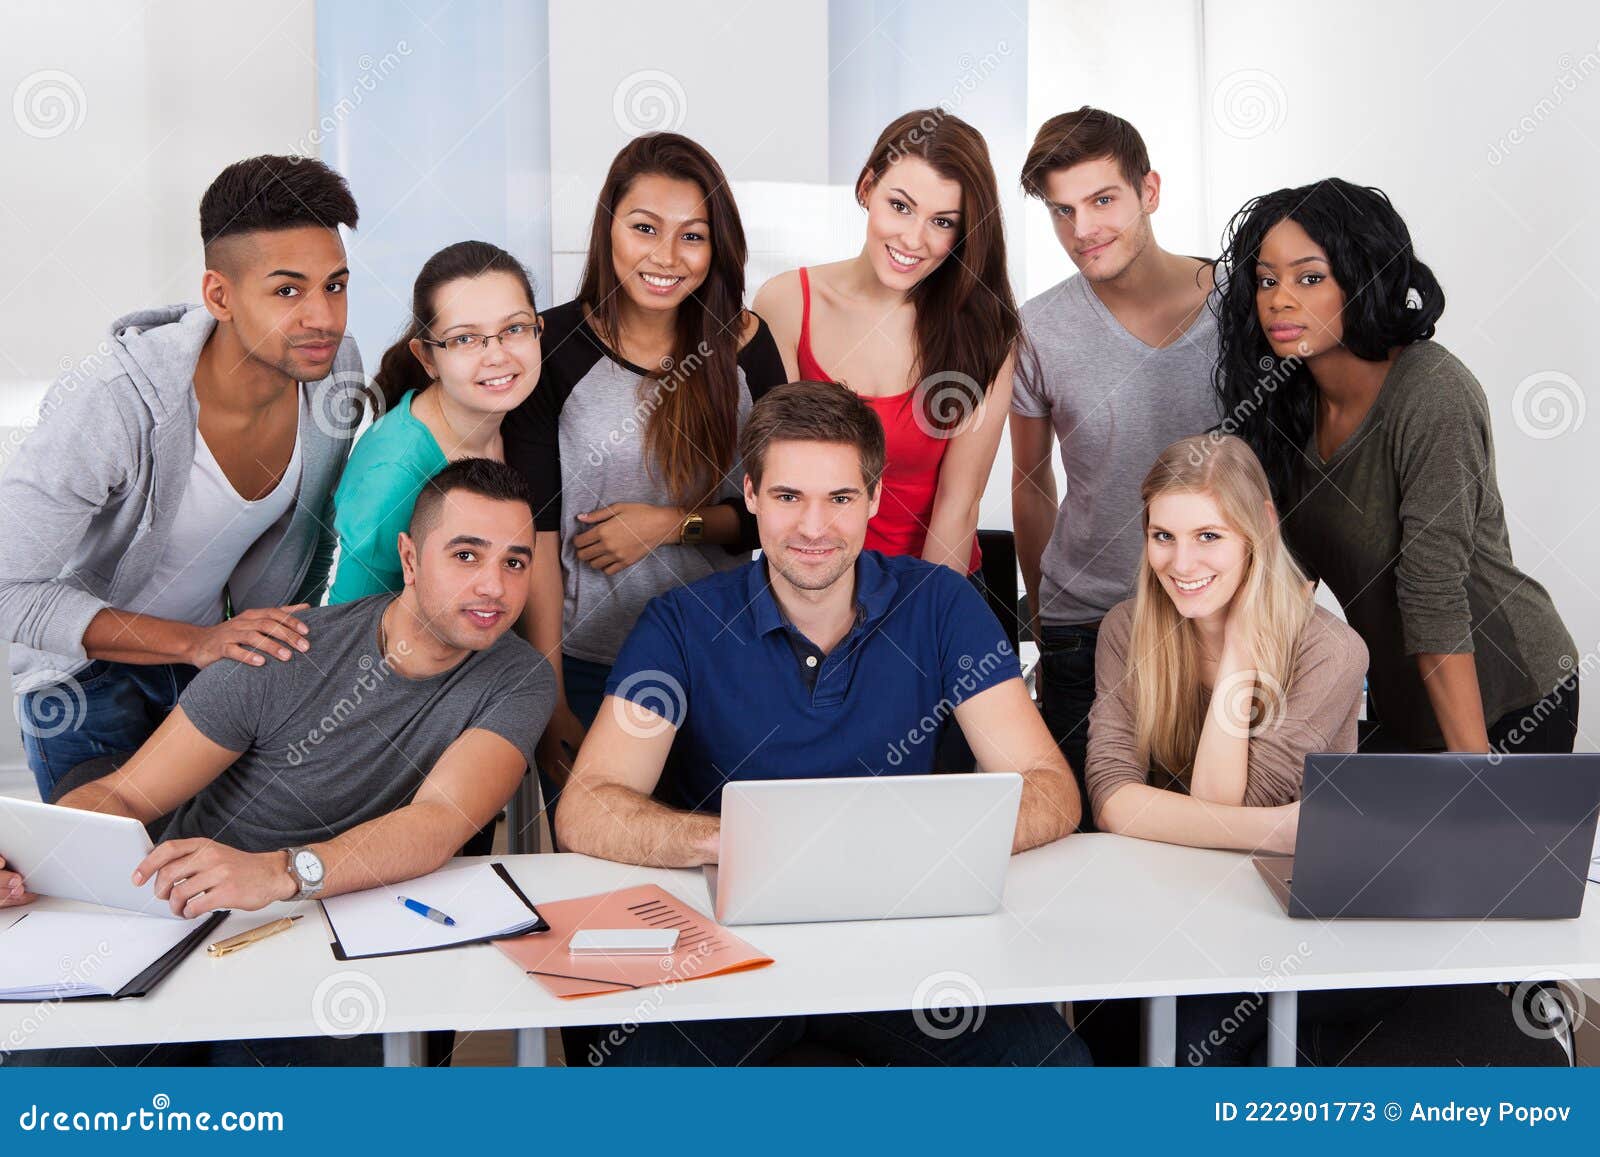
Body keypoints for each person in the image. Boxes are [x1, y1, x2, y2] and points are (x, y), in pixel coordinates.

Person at [556, 381, 1088, 1067]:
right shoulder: (680, 621)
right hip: (728, 953)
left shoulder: (941, 604)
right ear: (751, 495)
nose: (814, 528)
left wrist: (909, 848)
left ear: (874, 497)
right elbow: (587, 806)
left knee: (1052, 1072)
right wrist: (738, 843)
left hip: (906, 946)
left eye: (839, 498)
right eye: (788, 497)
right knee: (634, 1087)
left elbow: (1050, 787)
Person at [0, 459, 555, 1066]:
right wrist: (36, 858)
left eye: (515, 562)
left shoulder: (519, 679)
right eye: (467, 555)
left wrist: (285, 873)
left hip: (329, 929)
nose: (494, 587)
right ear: (411, 558)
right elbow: (125, 795)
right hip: (190, 914)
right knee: (52, 1081)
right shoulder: (283, 650)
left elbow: (438, 822)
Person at [0, 155, 366, 800]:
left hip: (213, 663)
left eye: (334, 285)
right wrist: (197, 642)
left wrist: (270, 645)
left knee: (225, 851)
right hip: (85, 678)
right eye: (288, 291)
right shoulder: (113, 403)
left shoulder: (333, 371)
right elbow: (7, 591)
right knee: (109, 857)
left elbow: (313, 530)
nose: (324, 318)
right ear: (219, 296)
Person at [1213, 178, 1578, 754]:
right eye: (1266, 280)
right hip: (1401, 703)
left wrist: (1472, 768)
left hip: (1506, 697)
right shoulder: (1285, 405)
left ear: (1363, 279)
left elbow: (1433, 591)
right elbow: (1285, 587)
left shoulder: (1432, 391)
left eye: (1310, 278)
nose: (1280, 299)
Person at [502, 133, 785, 823]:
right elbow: (535, 533)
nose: (666, 257)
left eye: (693, 236)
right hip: (589, 663)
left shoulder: (747, 344)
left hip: (725, 659)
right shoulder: (550, 346)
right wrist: (550, 694)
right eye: (645, 228)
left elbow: (779, 512)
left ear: (717, 247)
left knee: (726, 857)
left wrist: (671, 525)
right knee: (604, 864)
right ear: (608, 229)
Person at [1087, 434, 1369, 1066]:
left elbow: (1229, 806)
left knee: (1191, 1043)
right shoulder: (1126, 630)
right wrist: (1280, 829)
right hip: (1172, 899)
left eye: (1208, 536)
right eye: (1163, 536)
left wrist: (1241, 649)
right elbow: (1110, 798)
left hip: (1284, 919)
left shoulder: (1330, 650)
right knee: (1108, 1030)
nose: (1181, 563)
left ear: (1259, 530)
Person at [1009, 107, 1222, 816]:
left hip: (1222, 619)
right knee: (1083, 841)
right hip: (1087, 625)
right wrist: (1046, 622)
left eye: (1103, 200)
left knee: (1219, 834)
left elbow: (1289, 471)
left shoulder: (1241, 304)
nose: (1083, 230)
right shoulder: (1039, 327)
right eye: (1062, 211)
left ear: (1149, 191)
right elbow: (1030, 480)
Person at [755, 109, 1017, 579]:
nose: (913, 239)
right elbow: (780, 480)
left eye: (942, 222)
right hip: (810, 585)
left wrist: (925, 616)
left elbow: (959, 503)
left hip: (934, 585)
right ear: (866, 188)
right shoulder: (786, 302)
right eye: (900, 206)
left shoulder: (985, 329)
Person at [329, 241, 541, 603]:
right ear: (427, 357)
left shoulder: (518, 410)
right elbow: (348, 619)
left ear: (539, 329)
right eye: (465, 338)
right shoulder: (392, 477)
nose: (497, 355)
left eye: (515, 328)